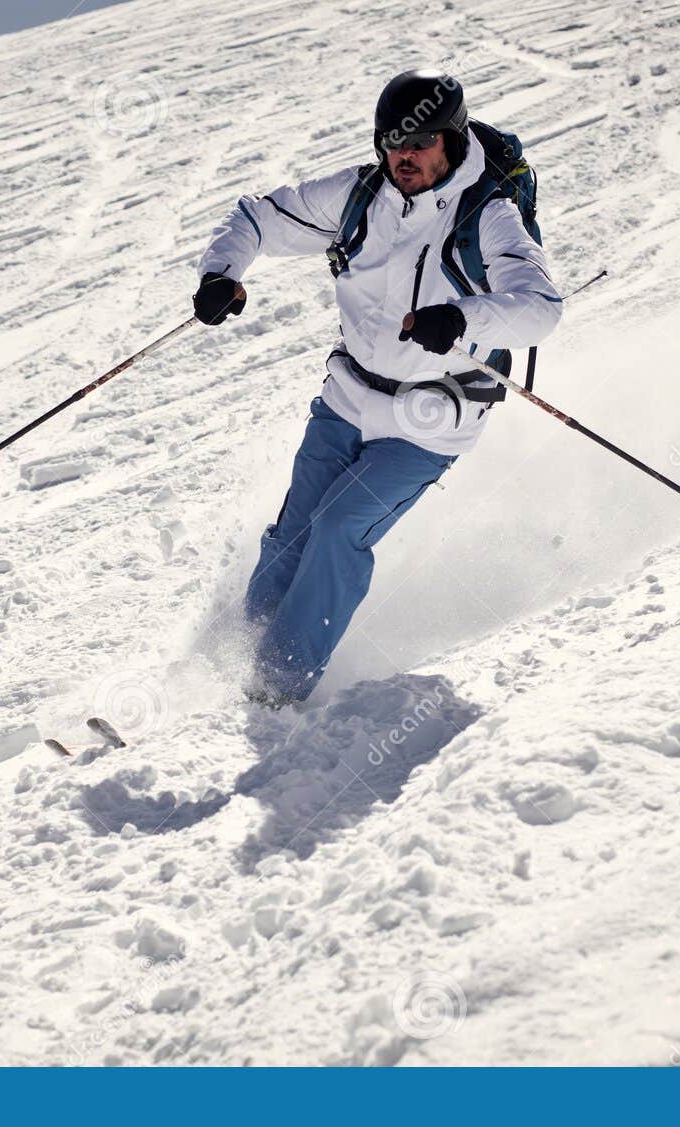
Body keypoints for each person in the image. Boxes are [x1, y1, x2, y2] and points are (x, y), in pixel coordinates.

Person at [194, 70, 563, 705]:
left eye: (420, 143)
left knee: (340, 529)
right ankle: (228, 673)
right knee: (293, 535)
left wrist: (463, 319)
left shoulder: (488, 213)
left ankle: (273, 692)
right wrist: (221, 274)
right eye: (392, 144)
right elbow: (259, 217)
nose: (405, 157)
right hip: (347, 398)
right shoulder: (361, 194)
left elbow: (540, 308)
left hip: (430, 416)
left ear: (450, 139)